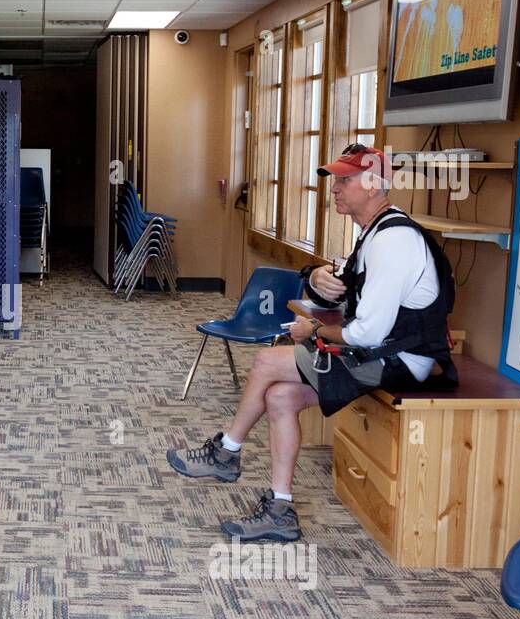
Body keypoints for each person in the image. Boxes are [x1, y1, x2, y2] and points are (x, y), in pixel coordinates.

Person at [166, 146, 457, 542]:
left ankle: (227, 453)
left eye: (344, 180)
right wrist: (318, 277)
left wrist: (314, 332)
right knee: (281, 398)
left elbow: (366, 334)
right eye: (334, 180)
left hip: (401, 359)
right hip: (381, 351)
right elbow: (339, 297)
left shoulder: (394, 241)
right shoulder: (373, 233)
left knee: (267, 363)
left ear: (373, 184)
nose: (334, 189)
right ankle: (280, 511)